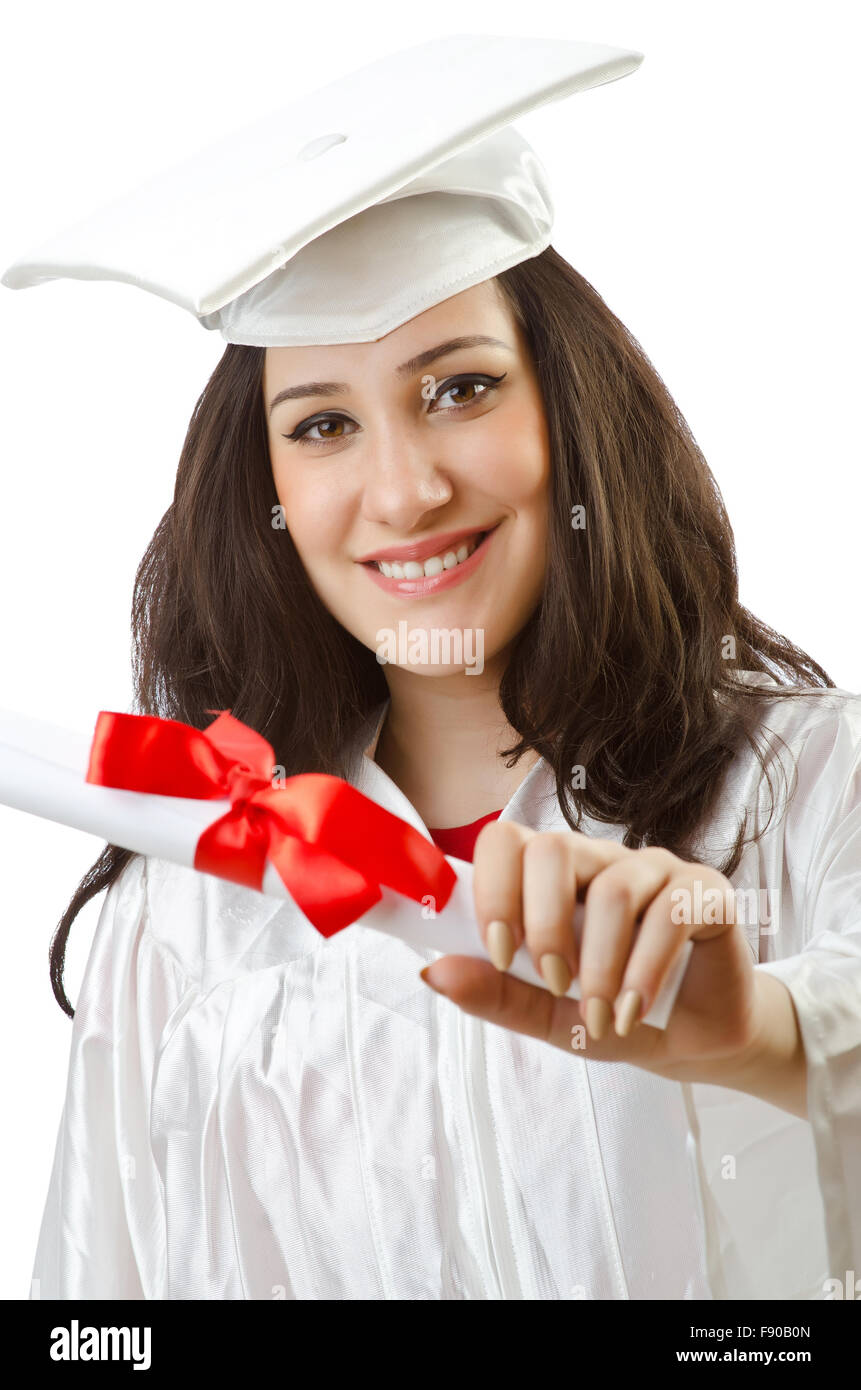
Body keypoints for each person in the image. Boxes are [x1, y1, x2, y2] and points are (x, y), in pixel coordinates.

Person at [6, 34, 860, 1301]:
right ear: (270, 491)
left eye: (460, 389)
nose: (404, 492)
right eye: (325, 425)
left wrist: (763, 1041)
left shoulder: (807, 787)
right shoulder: (184, 909)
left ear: (569, 413)